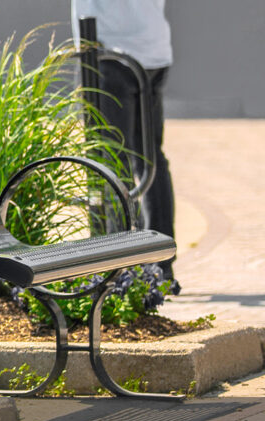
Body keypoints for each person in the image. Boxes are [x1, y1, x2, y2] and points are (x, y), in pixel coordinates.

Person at [72, 0, 178, 282]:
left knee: (113, 160)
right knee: (150, 158)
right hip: (153, 49)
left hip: (113, 54)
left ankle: (127, 260)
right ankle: (159, 262)